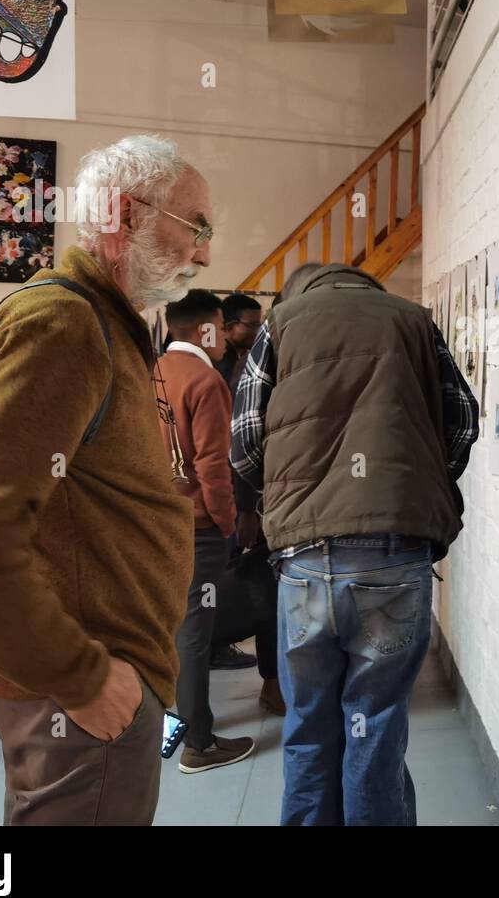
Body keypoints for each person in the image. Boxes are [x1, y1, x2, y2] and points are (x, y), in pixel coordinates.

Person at [0, 134, 212, 825]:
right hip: (83, 703)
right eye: (195, 227)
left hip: (82, 697)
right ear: (124, 216)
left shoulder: (95, 321)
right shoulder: (66, 323)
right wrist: (87, 680)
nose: (204, 253)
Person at [231, 261, 478, 826]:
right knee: (377, 727)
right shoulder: (412, 320)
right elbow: (462, 422)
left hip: (304, 560)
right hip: (394, 554)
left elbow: (243, 444)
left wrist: (288, 498)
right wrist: (413, 485)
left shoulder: (281, 324)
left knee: (308, 729)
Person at [158, 290, 255, 773]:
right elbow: (214, 465)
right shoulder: (206, 380)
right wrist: (228, 523)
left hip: (155, 525)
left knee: (170, 629)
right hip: (197, 525)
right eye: (221, 326)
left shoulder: (151, 372)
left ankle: (168, 727)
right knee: (196, 632)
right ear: (205, 330)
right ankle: (198, 743)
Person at [211, 291, 268, 675]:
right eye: (252, 323)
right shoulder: (221, 371)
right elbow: (235, 445)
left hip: (235, 493)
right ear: (230, 328)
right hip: (228, 493)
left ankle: (219, 642)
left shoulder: (244, 361)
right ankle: (217, 643)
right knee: (226, 572)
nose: (260, 328)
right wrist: (245, 509)